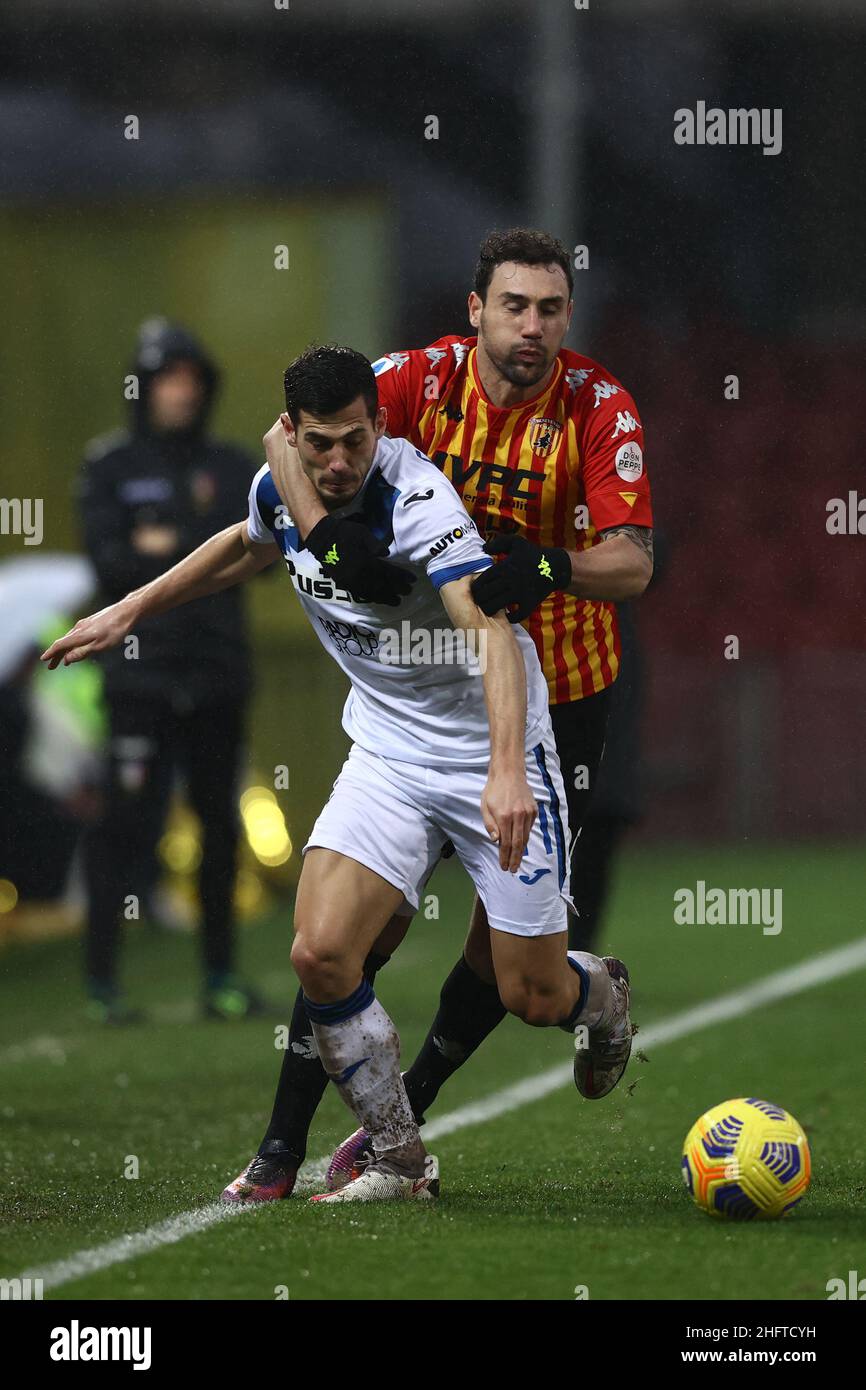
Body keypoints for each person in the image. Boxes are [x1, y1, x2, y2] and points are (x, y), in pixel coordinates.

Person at [42, 344, 634, 1204]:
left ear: (379, 425)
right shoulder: (278, 484)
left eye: (355, 439)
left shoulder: (422, 503)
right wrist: (128, 608)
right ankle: (399, 1158)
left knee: (533, 993)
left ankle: (601, 993)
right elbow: (245, 548)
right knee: (320, 952)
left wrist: (508, 770)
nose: (338, 460)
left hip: (488, 749)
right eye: (319, 442)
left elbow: (494, 634)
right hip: (390, 752)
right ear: (292, 435)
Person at [224, 228, 653, 1201]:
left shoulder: (597, 408)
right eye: (513, 305)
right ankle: (290, 1147)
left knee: (510, 971)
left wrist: (549, 564)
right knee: (343, 939)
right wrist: (332, 544)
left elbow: (633, 563)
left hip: (559, 695)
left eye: (549, 308)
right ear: (475, 309)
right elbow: (285, 435)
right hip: (419, 701)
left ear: (565, 318)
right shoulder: (413, 380)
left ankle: (435, 1087)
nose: (530, 326)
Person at [76, 318, 264, 1022]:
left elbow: (259, 556)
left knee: (220, 827)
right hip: (139, 682)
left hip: (217, 676)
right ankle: (102, 984)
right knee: (123, 827)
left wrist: (164, 544)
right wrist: (201, 549)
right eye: (167, 379)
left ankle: (220, 977)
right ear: (144, 387)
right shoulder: (109, 465)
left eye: (191, 379)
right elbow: (109, 562)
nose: (180, 393)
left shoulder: (236, 462)